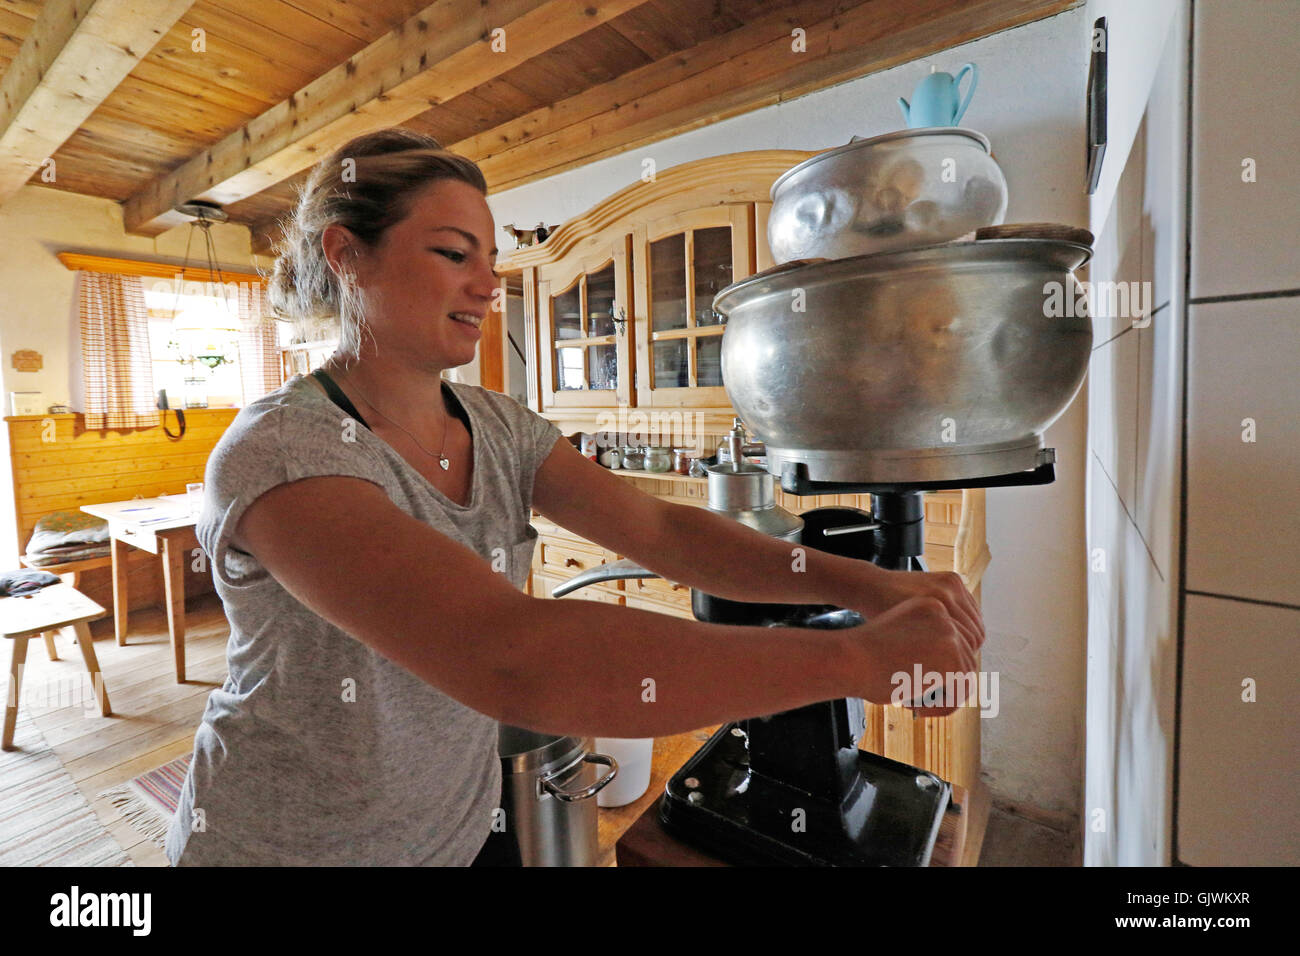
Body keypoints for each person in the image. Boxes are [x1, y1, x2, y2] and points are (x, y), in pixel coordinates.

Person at [164, 128, 985, 867]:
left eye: (490, 256)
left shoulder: (499, 425)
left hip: (453, 834)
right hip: (286, 847)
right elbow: (510, 653)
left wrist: (866, 586)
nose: (488, 283)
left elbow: (661, 528)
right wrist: (855, 659)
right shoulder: (283, 453)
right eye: (455, 254)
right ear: (347, 254)